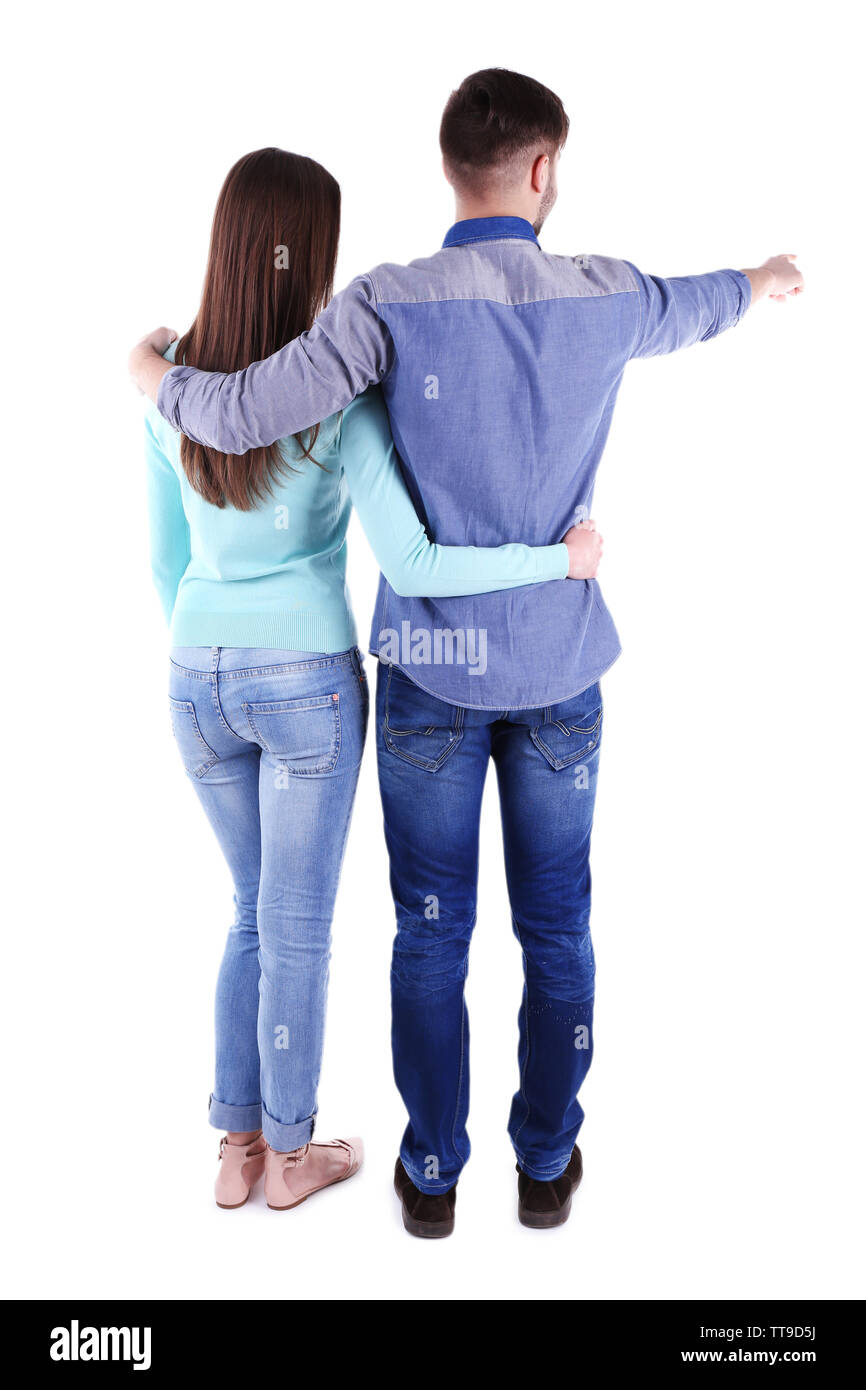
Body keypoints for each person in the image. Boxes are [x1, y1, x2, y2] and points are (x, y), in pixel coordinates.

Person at [130, 71, 804, 1237]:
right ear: (541, 170)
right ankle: (544, 1165)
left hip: (424, 684)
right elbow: (702, 302)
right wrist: (763, 279)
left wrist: (151, 379)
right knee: (557, 925)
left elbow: (236, 415)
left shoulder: (382, 307)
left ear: (450, 169)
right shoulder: (605, 295)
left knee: (425, 933)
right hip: (556, 676)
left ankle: (428, 1175)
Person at [143, 146, 596, 1214]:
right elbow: (418, 565)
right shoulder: (338, 395)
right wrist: (558, 559)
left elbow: (167, 563)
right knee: (293, 923)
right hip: (305, 680)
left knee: (249, 911)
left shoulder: (171, 385)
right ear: (306, 257)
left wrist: (213, 646)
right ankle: (293, 1157)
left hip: (192, 679)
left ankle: (235, 1148)